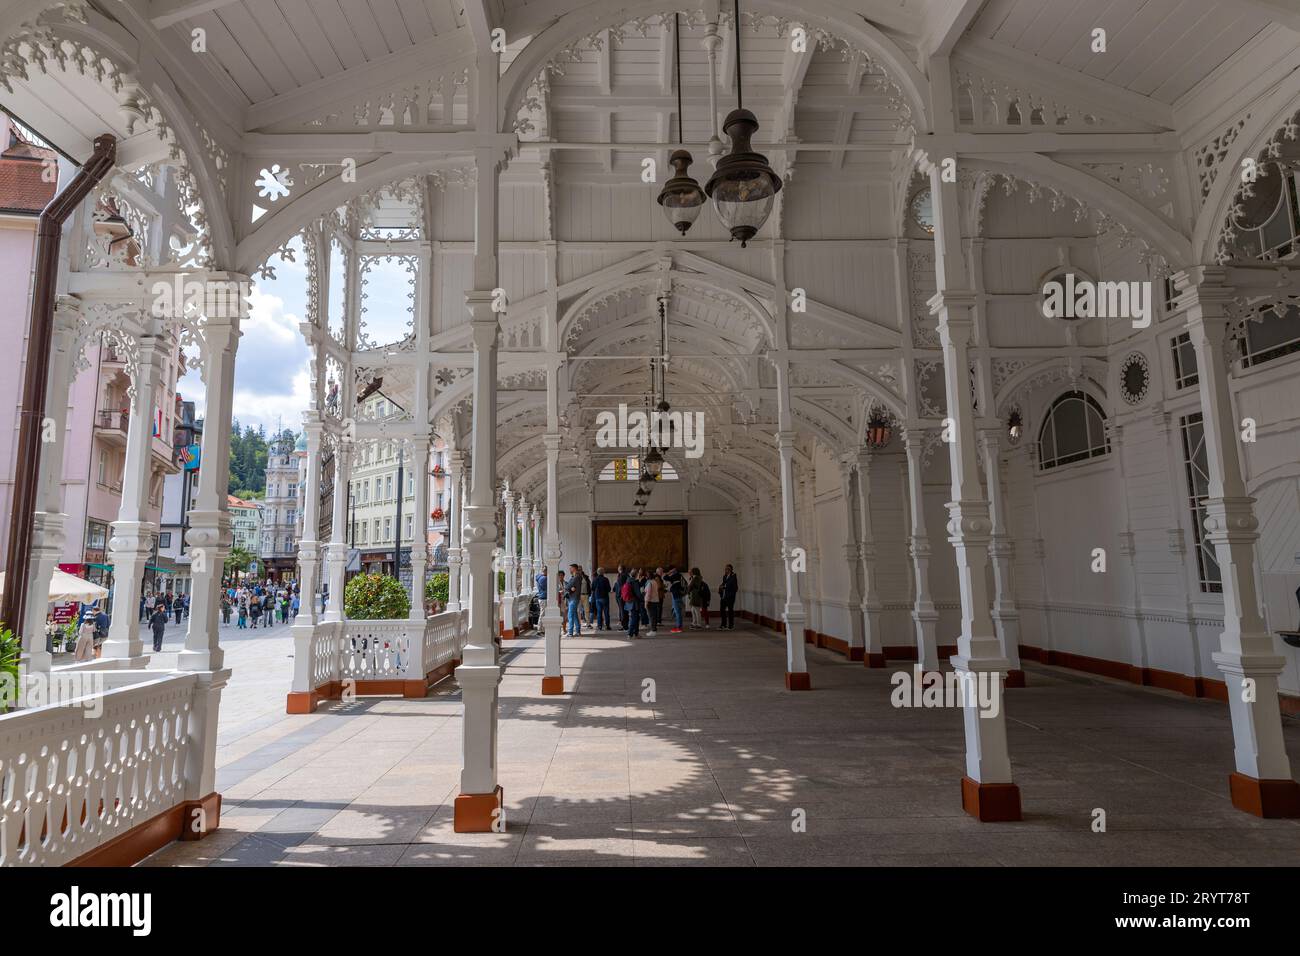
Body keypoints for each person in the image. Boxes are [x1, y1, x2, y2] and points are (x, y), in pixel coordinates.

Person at [622, 569, 643, 639]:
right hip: (634, 603)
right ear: (636, 575)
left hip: (629, 602)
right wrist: (643, 597)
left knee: (635, 618)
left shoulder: (628, 580)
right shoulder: (634, 582)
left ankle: (636, 634)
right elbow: (638, 593)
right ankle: (630, 634)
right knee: (634, 618)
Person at [664, 566, 685, 633]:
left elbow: (665, 577)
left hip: (676, 596)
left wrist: (669, 572)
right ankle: (679, 626)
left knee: (677, 612)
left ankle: (679, 627)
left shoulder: (675, 575)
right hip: (678, 595)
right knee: (677, 611)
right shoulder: (679, 575)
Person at [565, 564, 582, 637]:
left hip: (573, 598)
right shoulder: (577, 577)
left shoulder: (576, 577)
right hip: (574, 597)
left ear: (574, 568)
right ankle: (578, 631)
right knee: (574, 615)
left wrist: (569, 588)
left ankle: (570, 632)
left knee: (570, 615)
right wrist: (570, 588)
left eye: (570, 568)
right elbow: (569, 587)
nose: (569, 569)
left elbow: (567, 586)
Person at [719, 564, 738, 630]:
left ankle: (731, 625)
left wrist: (724, 586)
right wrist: (721, 586)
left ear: (730, 569)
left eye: (727, 569)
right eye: (725, 569)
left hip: (730, 597)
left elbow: (733, 586)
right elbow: (724, 583)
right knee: (722, 610)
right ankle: (723, 624)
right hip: (724, 596)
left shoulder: (733, 576)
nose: (725, 570)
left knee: (730, 611)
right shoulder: (725, 576)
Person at [645, 572, 662, 637]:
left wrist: (646, 602)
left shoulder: (649, 583)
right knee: (654, 616)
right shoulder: (655, 582)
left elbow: (648, 594)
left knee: (651, 616)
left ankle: (653, 630)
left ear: (648, 576)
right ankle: (654, 629)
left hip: (651, 601)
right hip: (655, 600)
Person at [615, 565, 629, 629]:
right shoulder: (625, 575)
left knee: (623, 610)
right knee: (624, 610)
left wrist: (620, 595)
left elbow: (621, 586)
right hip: (623, 595)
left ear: (620, 569)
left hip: (621, 595)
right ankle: (624, 624)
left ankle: (624, 626)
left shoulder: (622, 576)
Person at [555, 570, 567, 635]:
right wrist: (559, 592)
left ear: (564, 576)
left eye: (562, 575)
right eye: (559, 575)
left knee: (564, 616)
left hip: (564, 602)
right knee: (558, 616)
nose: (560, 576)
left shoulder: (566, 583)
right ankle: (558, 630)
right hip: (558, 602)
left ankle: (564, 629)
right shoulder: (556, 584)